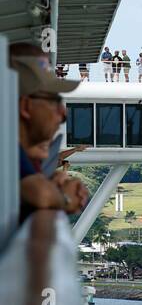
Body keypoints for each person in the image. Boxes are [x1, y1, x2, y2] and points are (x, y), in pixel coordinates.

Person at [11, 45, 88, 218]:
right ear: (25, 106)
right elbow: (39, 194)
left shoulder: (22, 152)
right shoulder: (8, 152)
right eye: (54, 100)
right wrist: (66, 198)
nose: (63, 112)